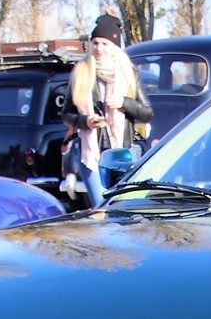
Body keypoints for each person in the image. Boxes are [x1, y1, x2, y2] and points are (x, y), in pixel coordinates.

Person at [61, 13, 153, 207]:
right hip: (91, 153)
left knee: (122, 207)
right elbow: (66, 114)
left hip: (122, 153)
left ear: (115, 47)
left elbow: (146, 113)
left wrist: (123, 103)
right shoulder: (81, 71)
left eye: (104, 44)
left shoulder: (128, 72)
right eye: (95, 43)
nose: (99, 48)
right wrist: (84, 121)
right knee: (102, 207)